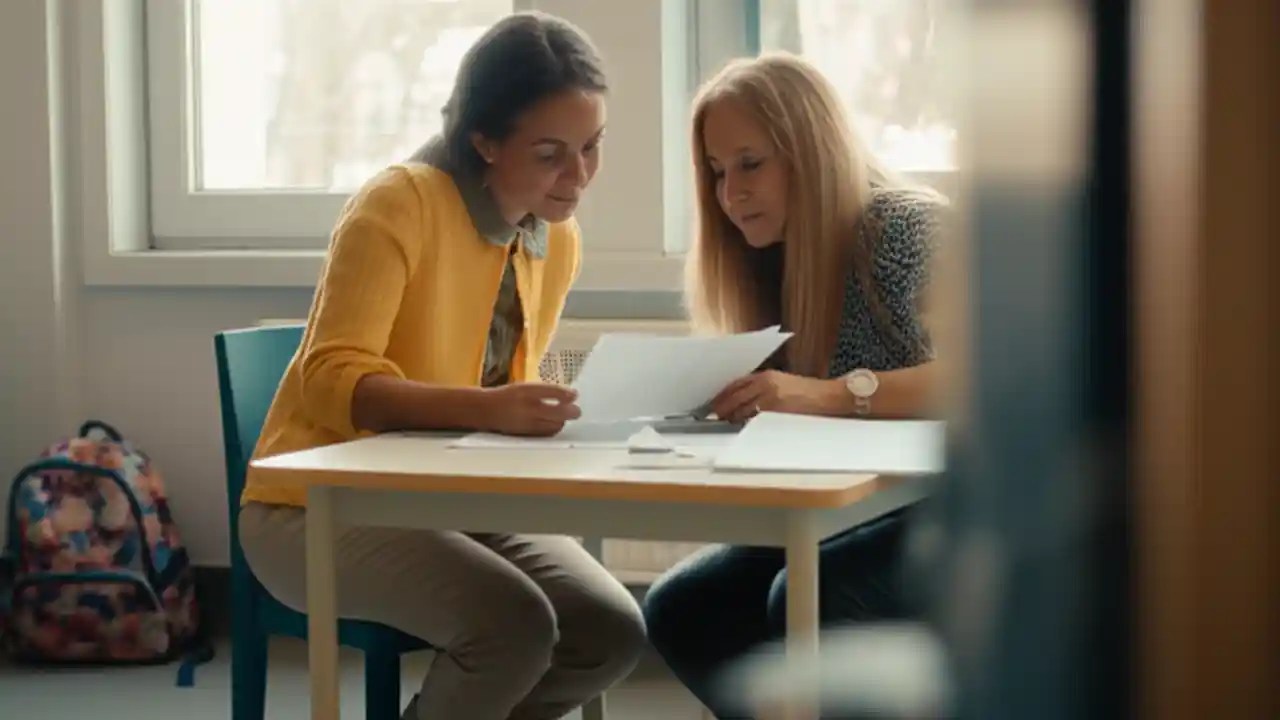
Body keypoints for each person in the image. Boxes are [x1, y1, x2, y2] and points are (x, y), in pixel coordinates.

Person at [238, 13, 646, 720]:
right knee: (513, 628)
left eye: (592, 147)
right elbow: (331, 380)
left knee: (609, 630)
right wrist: (490, 410)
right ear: (483, 140)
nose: (578, 175)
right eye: (551, 152)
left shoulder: (557, 239)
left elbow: (493, 381)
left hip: (451, 500)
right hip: (309, 509)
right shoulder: (398, 205)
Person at [642, 53, 947, 718]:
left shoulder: (905, 227)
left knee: (810, 596)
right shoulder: (773, 259)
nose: (730, 194)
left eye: (751, 163)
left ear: (811, 150)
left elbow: (986, 378)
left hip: (962, 508)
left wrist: (830, 395)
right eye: (718, 173)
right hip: (855, 512)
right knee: (680, 609)